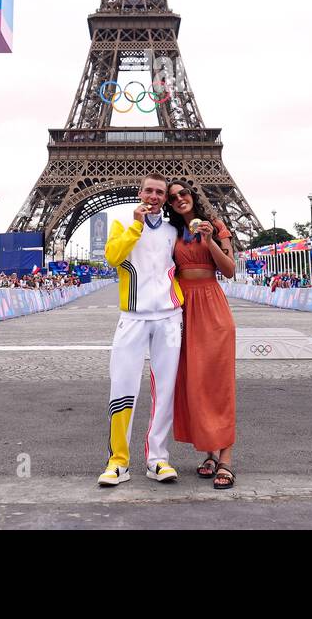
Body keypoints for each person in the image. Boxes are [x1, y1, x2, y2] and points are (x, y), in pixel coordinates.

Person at [98, 173, 182, 487]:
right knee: (122, 387)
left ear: (165, 197)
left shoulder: (175, 231)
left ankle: (158, 459)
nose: (154, 196)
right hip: (132, 317)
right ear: (140, 192)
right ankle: (118, 462)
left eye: (160, 192)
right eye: (149, 190)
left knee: (165, 390)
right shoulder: (122, 225)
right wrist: (136, 224)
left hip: (169, 317)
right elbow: (112, 257)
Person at [167, 179, 239, 492]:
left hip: (212, 307)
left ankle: (226, 459)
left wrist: (208, 239)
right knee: (195, 384)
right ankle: (209, 453)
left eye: (184, 193)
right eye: (173, 197)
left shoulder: (216, 227)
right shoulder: (172, 235)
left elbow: (229, 270)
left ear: (193, 196)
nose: (179, 198)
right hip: (184, 310)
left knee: (218, 383)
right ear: (170, 205)